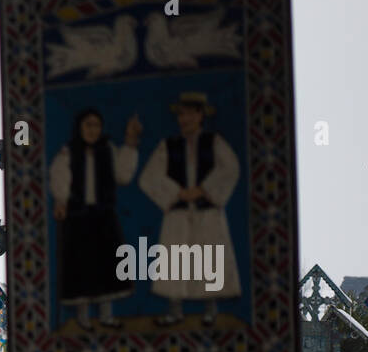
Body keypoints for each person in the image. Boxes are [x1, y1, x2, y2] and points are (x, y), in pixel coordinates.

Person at [137, 92, 240, 326]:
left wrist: (204, 189)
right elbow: (148, 177)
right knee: (176, 260)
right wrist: (176, 193)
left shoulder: (214, 143)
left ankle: (210, 310)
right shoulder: (169, 145)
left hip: (207, 212)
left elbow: (230, 168)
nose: (185, 119)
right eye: (182, 114)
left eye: (190, 114)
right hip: (179, 213)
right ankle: (175, 311)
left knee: (209, 259)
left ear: (200, 115)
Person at [50, 107, 141, 330]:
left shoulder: (108, 150)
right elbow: (60, 176)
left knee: (107, 266)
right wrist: (61, 201)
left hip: (103, 216)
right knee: (82, 267)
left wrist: (130, 143)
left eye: (96, 125)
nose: (92, 130)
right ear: (80, 128)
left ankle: (106, 316)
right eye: (88, 125)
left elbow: (123, 175)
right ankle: (83, 318)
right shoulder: (69, 152)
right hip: (78, 217)